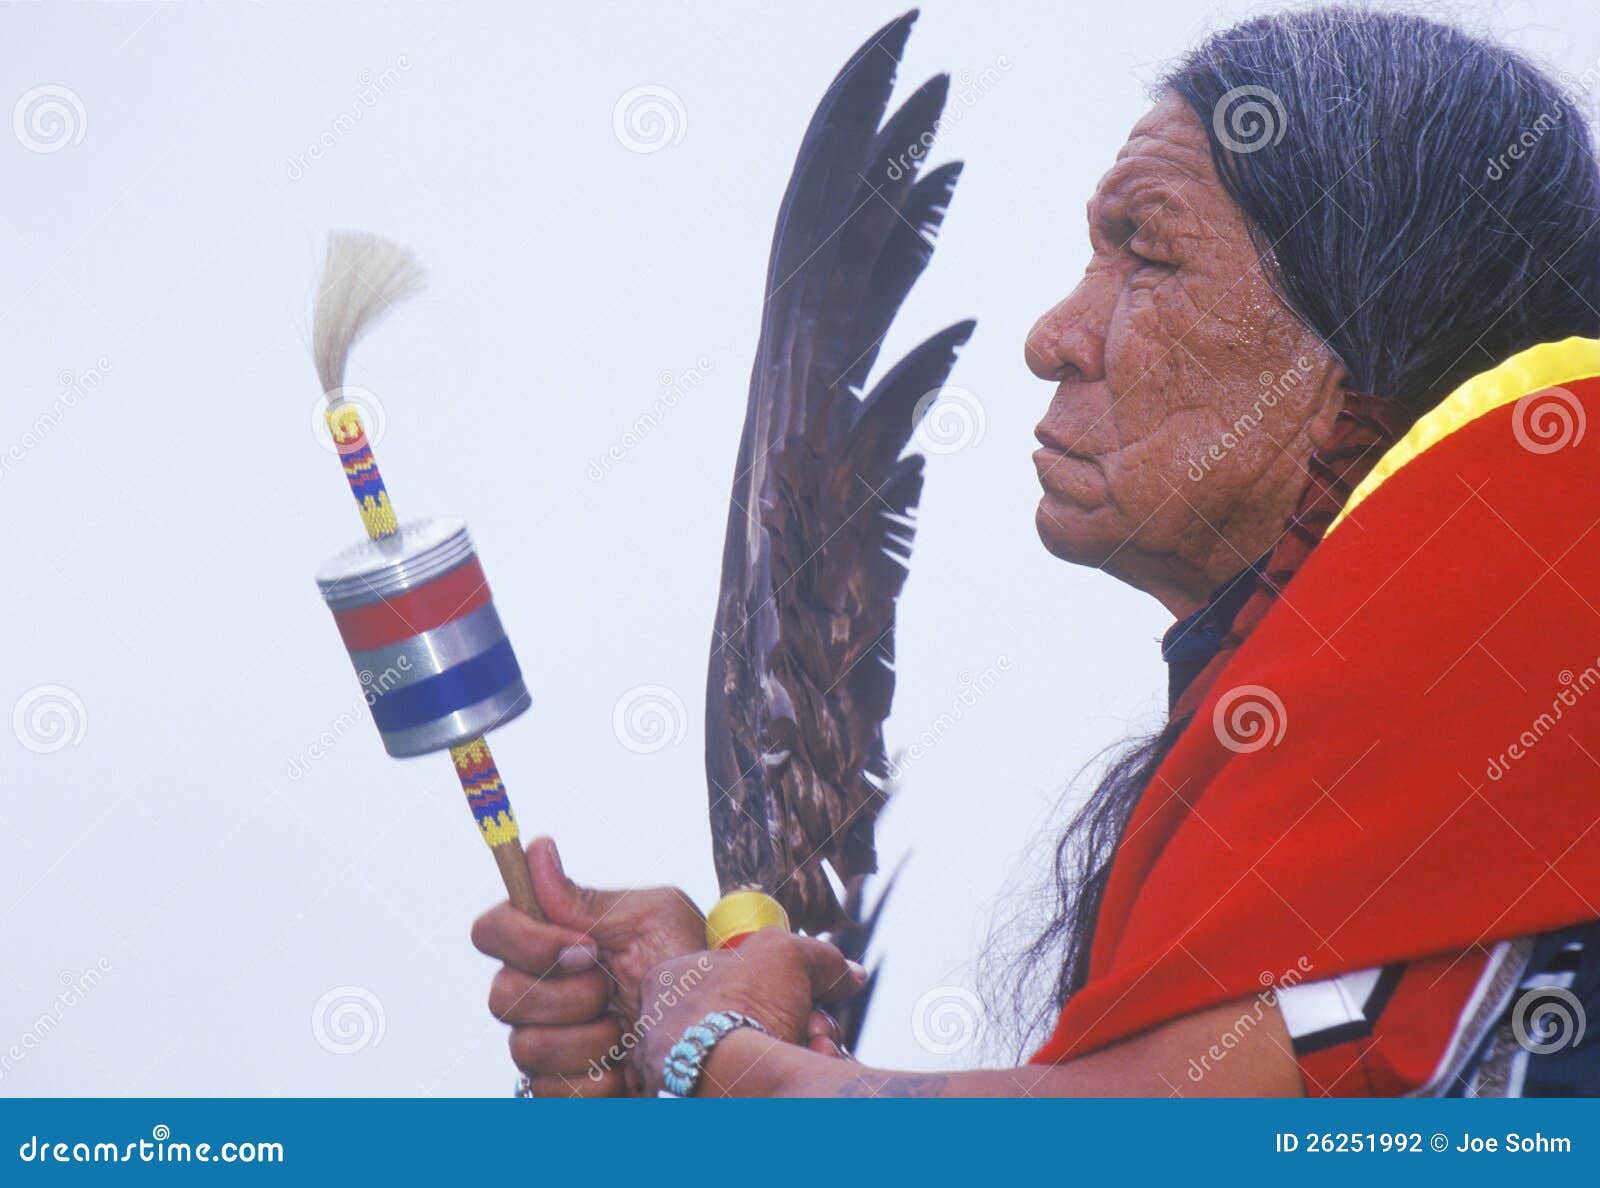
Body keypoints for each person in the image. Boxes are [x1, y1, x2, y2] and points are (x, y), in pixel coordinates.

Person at [473, 7, 1600, 1097]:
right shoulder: (1361, 754)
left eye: (1147, 257)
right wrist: (709, 1034)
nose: (1053, 336)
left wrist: (715, 1049)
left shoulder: (1530, 641)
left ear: (1367, 332)